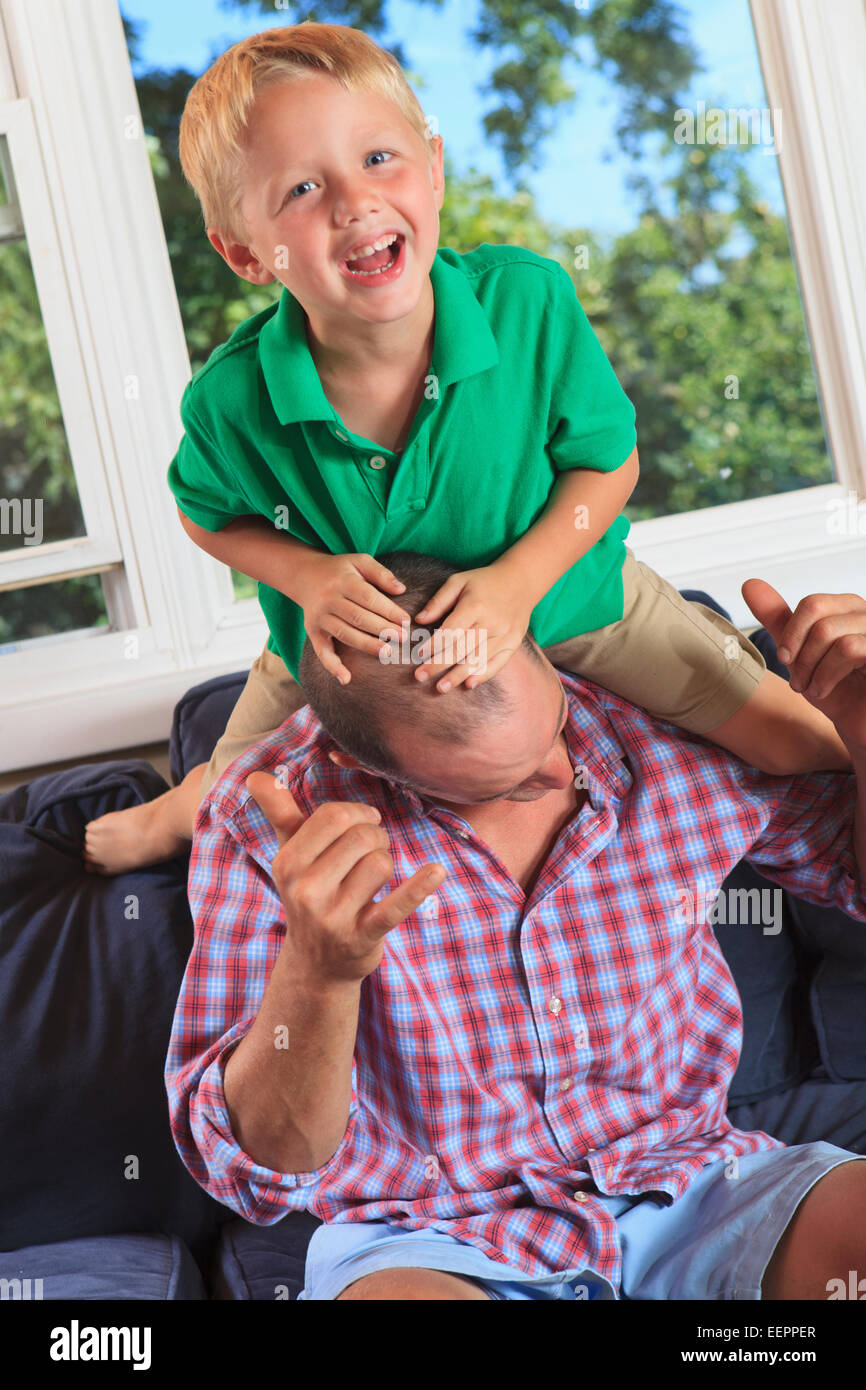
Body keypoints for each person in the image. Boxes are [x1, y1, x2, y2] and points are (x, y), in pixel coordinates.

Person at [84, 22, 849, 876]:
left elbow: (609, 465)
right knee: (236, 809)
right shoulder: (231, 400)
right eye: (301, 188)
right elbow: (207, 515)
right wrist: (306, 579)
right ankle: (176, 808)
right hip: (352, 653)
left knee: (798, 743)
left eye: (379, 159)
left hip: (570, 595)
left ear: (435, 169)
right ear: (246, 254)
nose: (354, 202)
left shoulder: (529, 301)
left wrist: (518, 587)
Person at [165, 549, 866, 1301]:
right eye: (509, 783)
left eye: (559, 726)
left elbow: (849, 874)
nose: (564, 775)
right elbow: (260, 1170)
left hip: (698, 1179)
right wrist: (320, 971)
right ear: (364, 764)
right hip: (430, 1237)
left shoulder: (660, 728)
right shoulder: (270, 817)